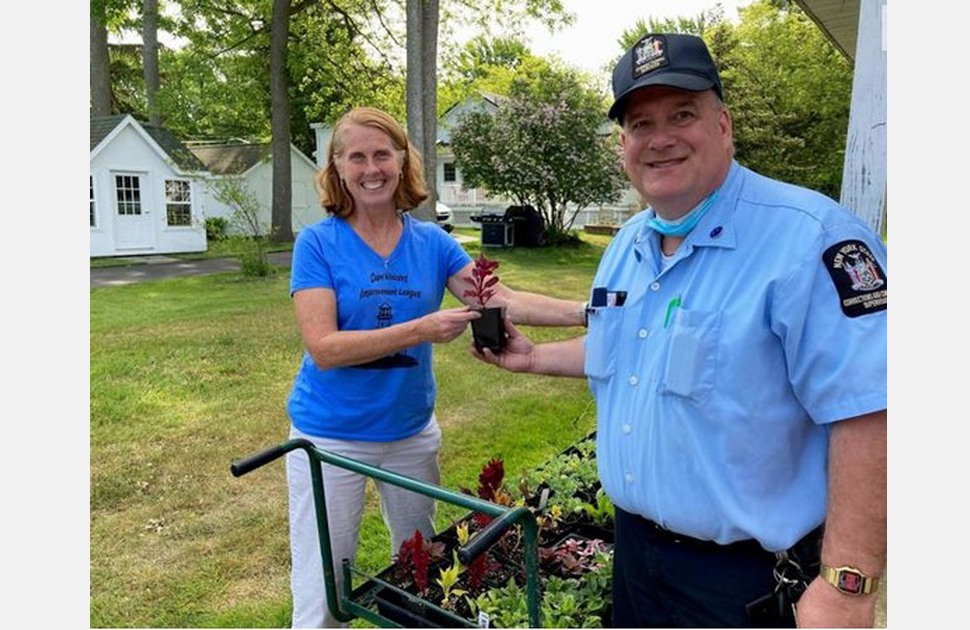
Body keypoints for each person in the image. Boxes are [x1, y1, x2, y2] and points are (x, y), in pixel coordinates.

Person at [473, 33, 887, 628]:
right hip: (637, 559)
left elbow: (869, 412)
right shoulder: (627, 246)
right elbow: (627, 350)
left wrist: (848, 587)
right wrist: (534, 357)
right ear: (623, 145)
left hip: (746, 582)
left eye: (682, 114)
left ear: (723, 124)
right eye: (641, 124)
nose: (660, 138)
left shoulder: (811, 241)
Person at [285, 106, 584, 628]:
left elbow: (499, 298)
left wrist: (591, 311)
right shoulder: (318, 243)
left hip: (409, 436)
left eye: (383, 154)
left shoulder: (431, 242)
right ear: (337, 166)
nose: (371, 168)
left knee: (418, 576)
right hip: (330, 440)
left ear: (403, 162)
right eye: (357, 156)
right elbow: (324, 348)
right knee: (324, 589)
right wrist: (421, 329)